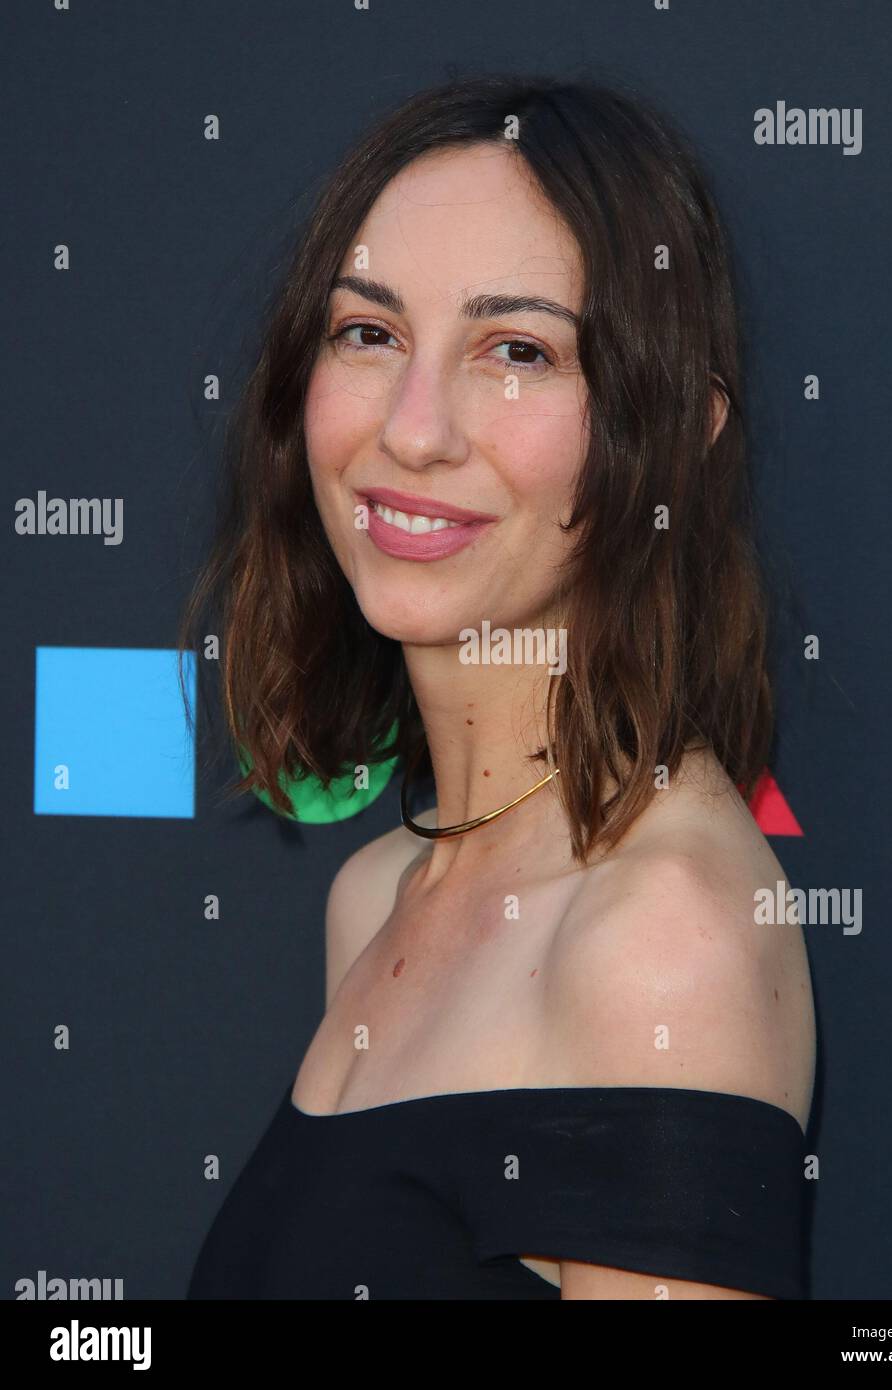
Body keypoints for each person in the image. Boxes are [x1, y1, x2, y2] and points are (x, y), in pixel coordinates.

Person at [181, 72, 817, 1301]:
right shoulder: (378, 895)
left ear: (680, 430)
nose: (414, 430)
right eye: (369, 332)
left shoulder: (658, 933)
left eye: (516, 351)